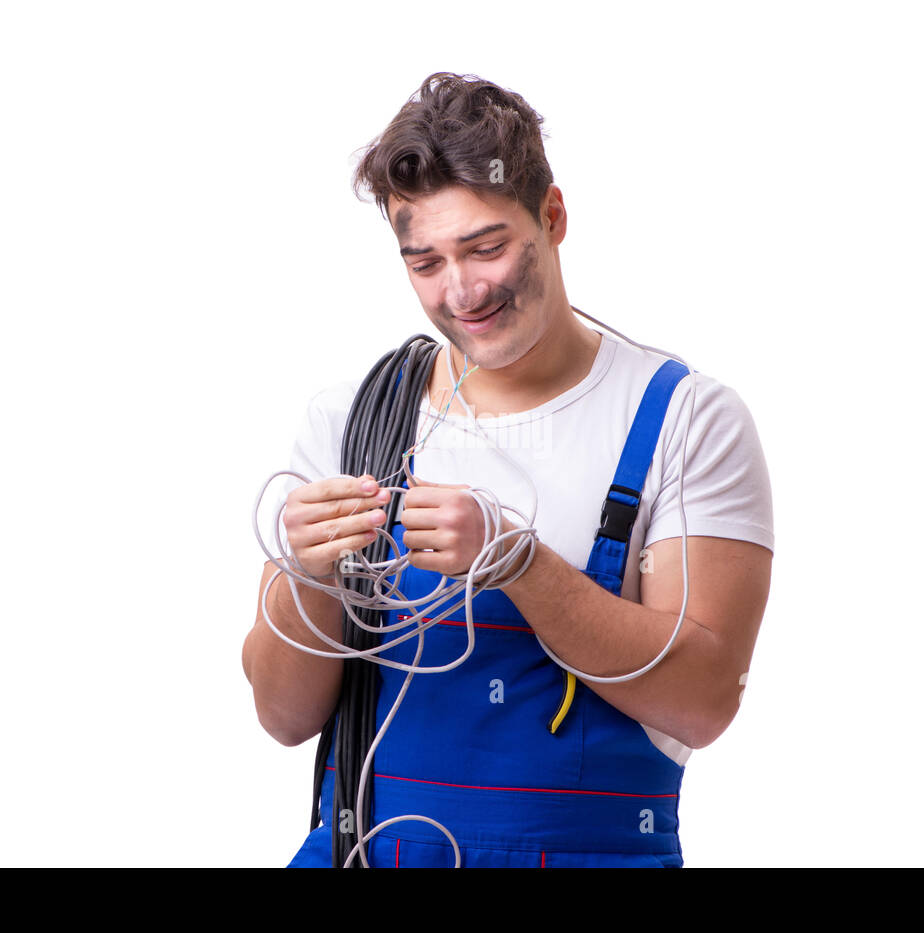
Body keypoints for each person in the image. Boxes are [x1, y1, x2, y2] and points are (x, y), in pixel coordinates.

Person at [241, 72, 774, 867]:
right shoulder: (353, 420)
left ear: (553, 218)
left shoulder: (686, 421)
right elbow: (282, 717)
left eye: (487, 246)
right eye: (424, 262)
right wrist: (311, 575)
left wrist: (517, 560)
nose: (462, 291)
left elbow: (702, 703)